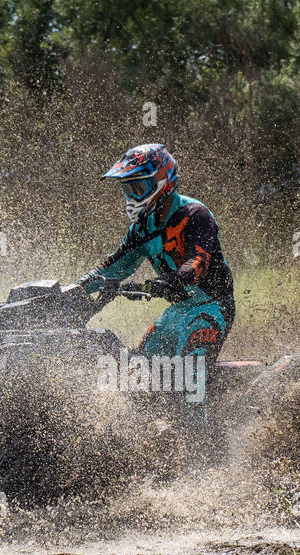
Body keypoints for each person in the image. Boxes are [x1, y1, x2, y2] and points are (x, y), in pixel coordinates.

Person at [80, 144, 235, 381]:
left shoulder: (195, 214)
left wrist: (164, 281)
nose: (131, 197)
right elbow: (113, 267)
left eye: (138, 187)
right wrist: (73, 290)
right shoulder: (141, 228)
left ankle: (203, 419)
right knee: (135, 372)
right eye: (127, 189)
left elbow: (198, 264)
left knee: (188, 377)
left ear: (162, 183)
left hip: (210, 307)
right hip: (178, 311)